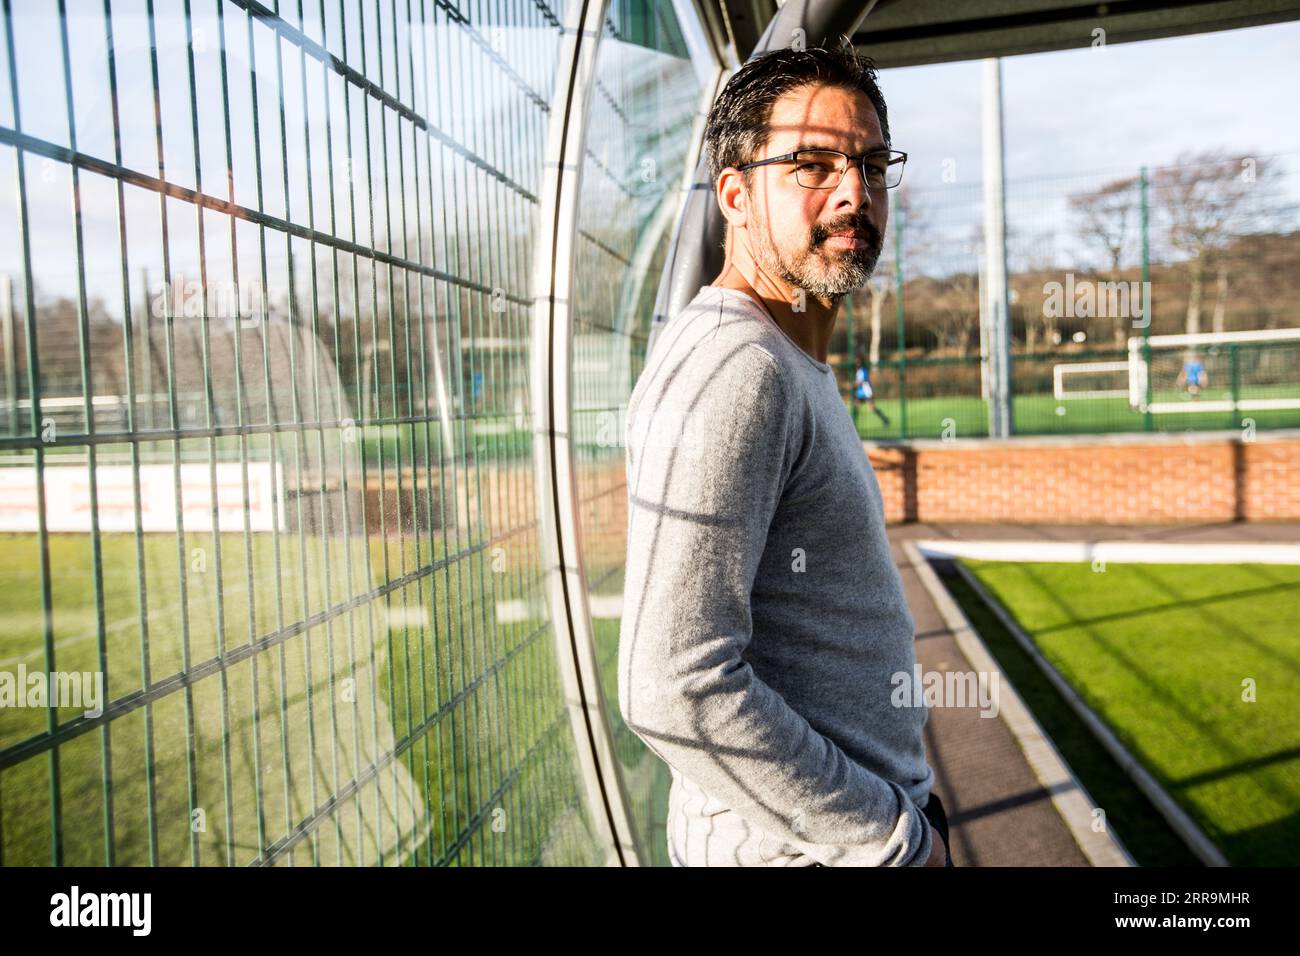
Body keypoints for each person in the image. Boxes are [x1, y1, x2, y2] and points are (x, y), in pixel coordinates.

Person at [618, 43, 950, 867]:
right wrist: (892, 838)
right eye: (811, 163)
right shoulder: (736, 369)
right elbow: (672, 690)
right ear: (735, 193)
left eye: (872, 164)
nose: (854, 192)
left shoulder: (784, 357)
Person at [853, 352, 891, 427]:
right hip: (860, 393)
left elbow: (864, 380)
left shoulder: (863, 370)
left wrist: (857, 383)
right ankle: (853, 425)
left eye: (858, 362)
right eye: (856, 362)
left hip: (866, 392)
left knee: (872, 408)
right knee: (856, 407)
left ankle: (885, 420)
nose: (857, 363)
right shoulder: (858, 371)